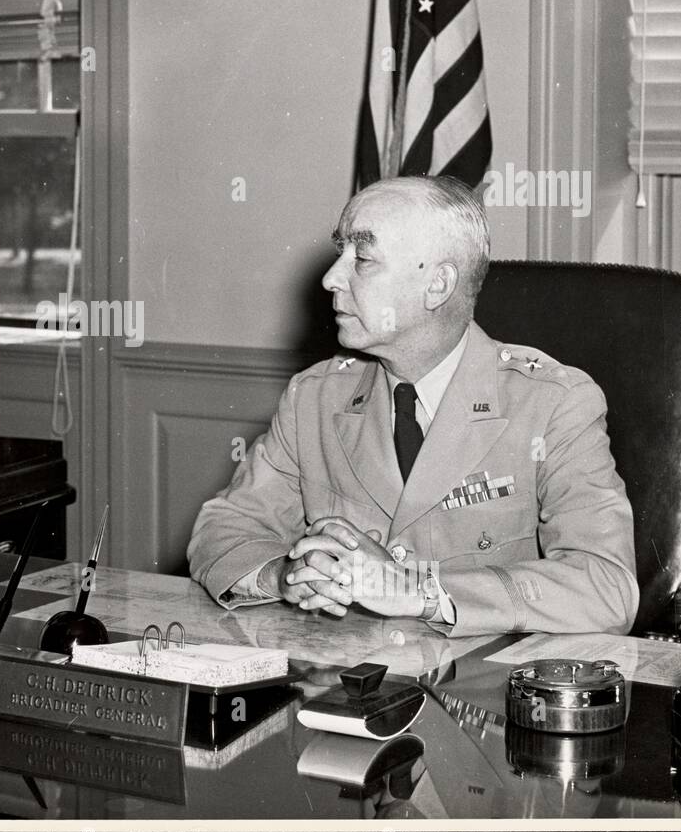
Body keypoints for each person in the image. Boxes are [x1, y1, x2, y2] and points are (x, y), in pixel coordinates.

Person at [187, 176, 639, 638]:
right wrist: (285, 574)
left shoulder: (552, 404)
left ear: (437, 285)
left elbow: (607, 588)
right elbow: (224, 527)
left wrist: (421, 590)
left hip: (484, 695)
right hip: (347, 682)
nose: (330, 278)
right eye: (340, 251)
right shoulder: (316, 397)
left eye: (361, 258)